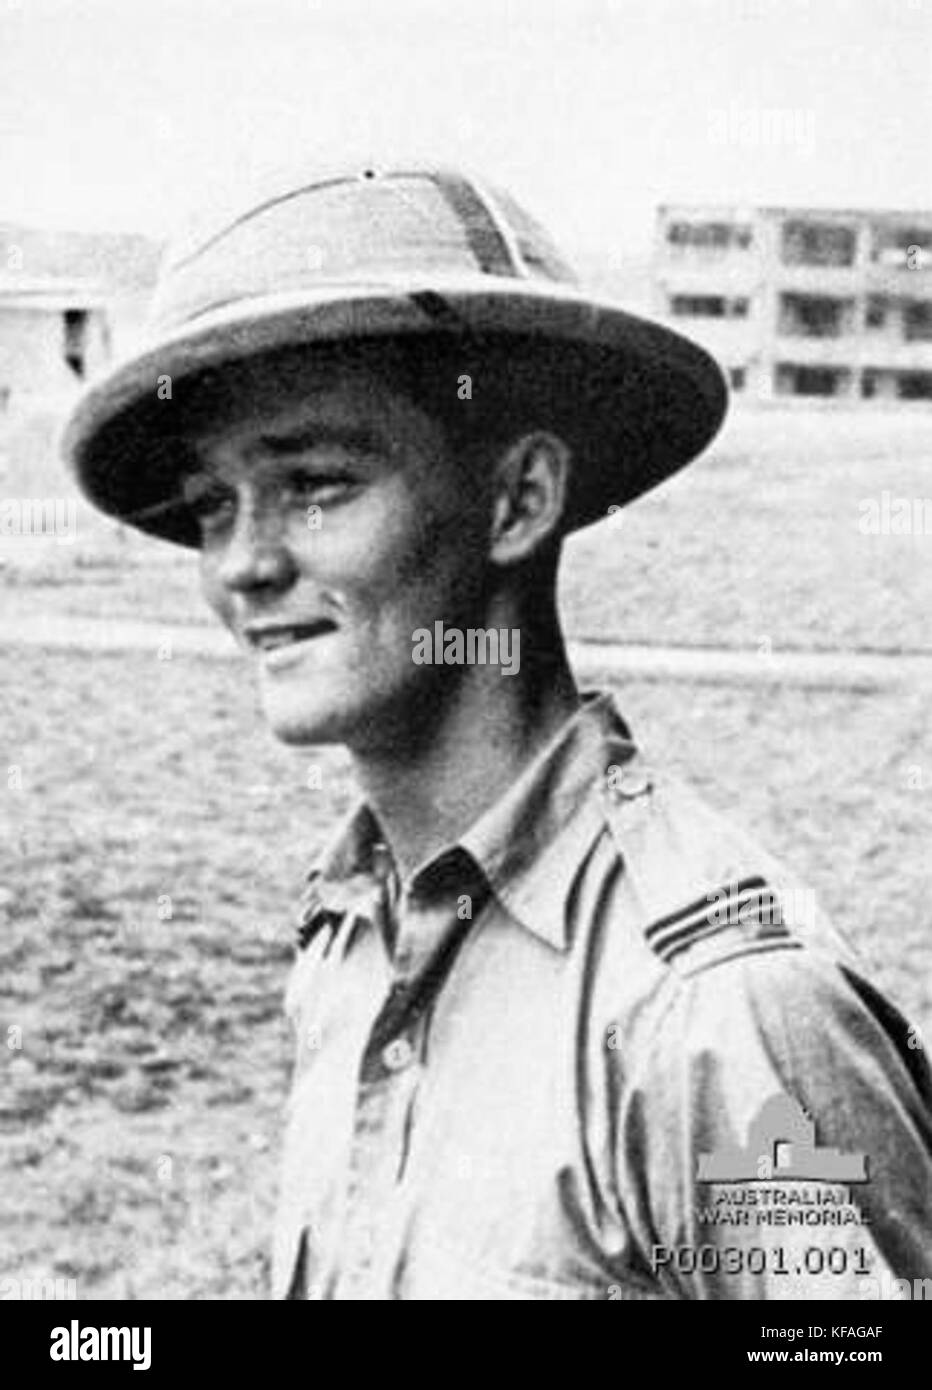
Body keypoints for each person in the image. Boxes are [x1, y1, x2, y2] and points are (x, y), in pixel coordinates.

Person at [63, 164, 932, 1300]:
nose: (242, 563)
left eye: (315, 485)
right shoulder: (351, 938)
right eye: (214, 504)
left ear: (517, 500)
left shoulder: (711, 1009)